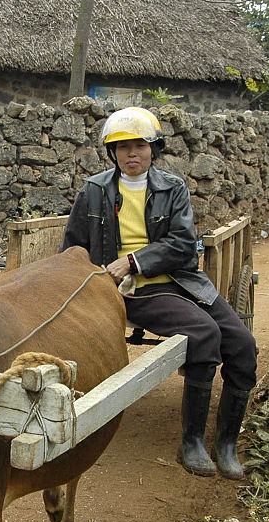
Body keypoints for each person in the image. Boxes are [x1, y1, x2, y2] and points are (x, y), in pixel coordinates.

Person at [60, 107, 257, 479]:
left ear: (154, 148)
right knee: (204, 334)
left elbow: (184, 243)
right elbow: (73, 246)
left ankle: (226, 443)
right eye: (122, 147)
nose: (131, 154)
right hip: (130, 292)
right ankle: (192, 442)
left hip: (180, 279)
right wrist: (89, 284)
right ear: (112, 153)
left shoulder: (173, 187)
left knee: (243, 344)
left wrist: (133, 260)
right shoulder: (94, 191)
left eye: (140, 145)